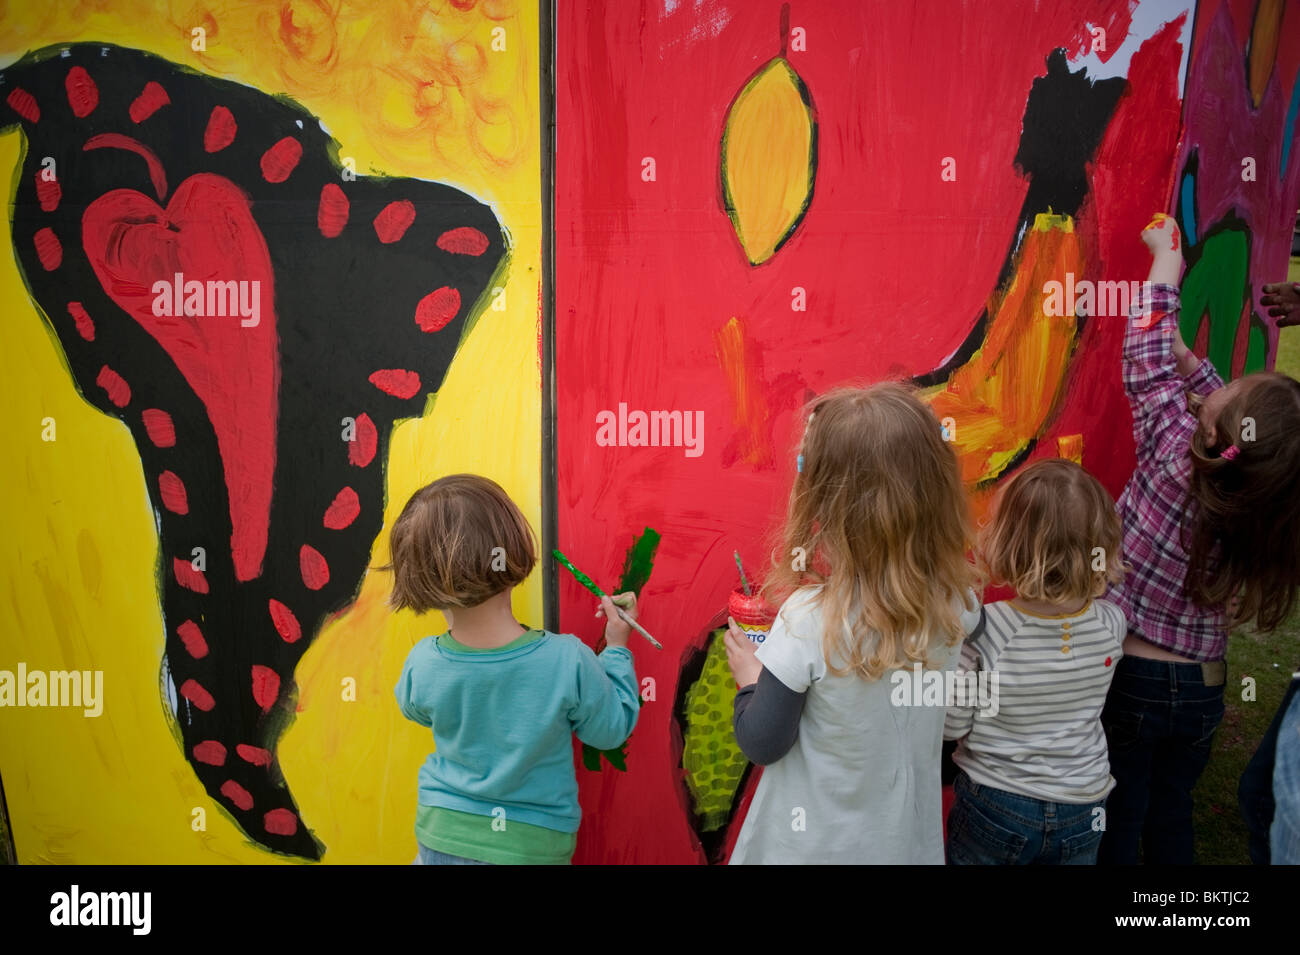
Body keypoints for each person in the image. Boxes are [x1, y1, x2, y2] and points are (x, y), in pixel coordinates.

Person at [1099, 215, 1300, 864]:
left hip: (1133, 678)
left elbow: (1145, 351)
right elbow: (1242, 435)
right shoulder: (1262, 501)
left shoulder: (1168, 457)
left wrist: (1166, 263)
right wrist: (1196, 366)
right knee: (1170, 814)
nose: (1217, 383)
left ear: (1217, 428)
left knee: (1122, 815)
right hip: (1203, 689)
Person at [724, 383, 981, 864]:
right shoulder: (957, 605)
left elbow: (763, 741)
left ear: (823, 502)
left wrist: (750, 680)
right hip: (903, 846)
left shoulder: (807, 619)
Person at [389, 474, 640, 864]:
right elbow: (609, 730)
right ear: (512, 548)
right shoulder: (567, 660)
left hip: (443, 835)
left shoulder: (424, 661)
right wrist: (618, 648)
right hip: (530, 846)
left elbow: (413, 708)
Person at [944, 458, 1127, 865]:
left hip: (997, 802)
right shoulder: (1113, 623)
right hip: (1085, 804)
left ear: (1008, 543)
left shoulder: (986, 628)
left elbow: (952, 723)